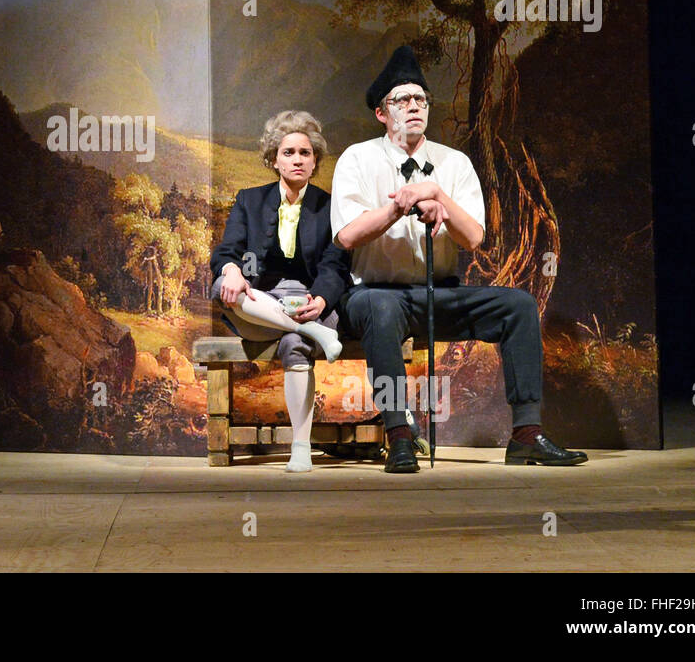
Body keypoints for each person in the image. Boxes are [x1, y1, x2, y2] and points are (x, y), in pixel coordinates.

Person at [330, 45, 588, 473]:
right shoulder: (357, 159)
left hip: (437, 293)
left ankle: (526, 433)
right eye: (402, 100)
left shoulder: (455, 163)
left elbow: (474, 239)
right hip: (375, 295)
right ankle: (398, 435)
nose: (414, 107)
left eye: (421, 100)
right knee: (379, 305)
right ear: (381, 113)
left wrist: (438, 197)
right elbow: (346, 235)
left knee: (518, 306)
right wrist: (398, 207)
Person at [210, 111, 352, 473]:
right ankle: (312, 329)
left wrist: (319, 300)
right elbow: (228, 252)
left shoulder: (328, 206)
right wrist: (232, 272)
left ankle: (301, 448)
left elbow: (335, 263)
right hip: (260, 303)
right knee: (222, 289)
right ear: (274, 159)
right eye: (288, 152)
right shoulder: (249, 200)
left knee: (294, 346)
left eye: (305, 153)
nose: (297, 159)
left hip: (308, 299)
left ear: (315, 160)